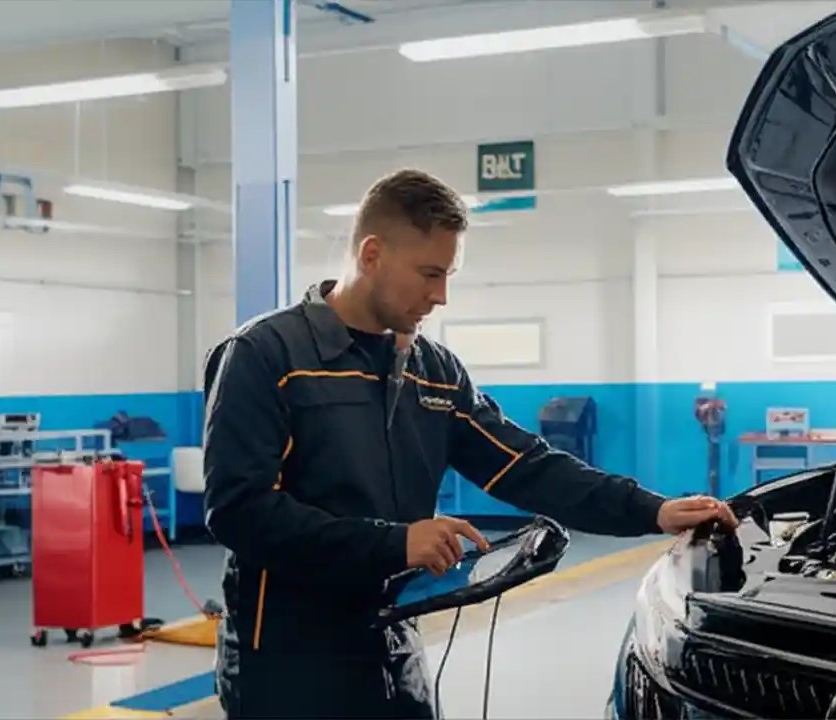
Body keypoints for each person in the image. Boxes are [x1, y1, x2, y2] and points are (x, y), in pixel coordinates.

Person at [202, 168, 738, 719]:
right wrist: (396, 543)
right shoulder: (265, 356)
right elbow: (239, 511)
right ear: (370, 255)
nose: (441, 296)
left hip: (391, 644)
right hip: (289, 661)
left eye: (449, 274)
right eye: (429, 274)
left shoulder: (433, 372)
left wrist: (653, 510)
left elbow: (527, 466)